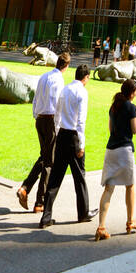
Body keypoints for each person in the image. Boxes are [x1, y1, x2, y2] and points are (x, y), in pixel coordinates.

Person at [40, 65, 98, 227]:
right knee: (79, 176)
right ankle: (83, 212)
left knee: (55, 177)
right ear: (86, 77)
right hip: (73, 136)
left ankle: (46, 216)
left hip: (63, 135)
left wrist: (58, 134)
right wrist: (81, 145)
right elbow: (81, 121)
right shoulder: (82, 92)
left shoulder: (65, 90)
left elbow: (57, 115)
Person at [17, 53, 69, 213]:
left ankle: (25, 188)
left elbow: (36, 97)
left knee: (44, 156)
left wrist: (35, 115)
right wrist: (58, 125)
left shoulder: (44, 76)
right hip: (50, 120)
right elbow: (57, 102)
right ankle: (39, 202)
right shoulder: (59, 80)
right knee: (49, 162)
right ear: (66, 66)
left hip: (39, 118)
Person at [94, 77, 136, 240]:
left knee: (108, 189)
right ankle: (130, 221)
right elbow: (135, 129)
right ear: (132, 93)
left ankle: (101, 226)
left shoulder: (113, 107)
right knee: (130, 186)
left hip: (111, 150)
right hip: (125, 150)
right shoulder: (131, 108)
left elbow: (111, 128)